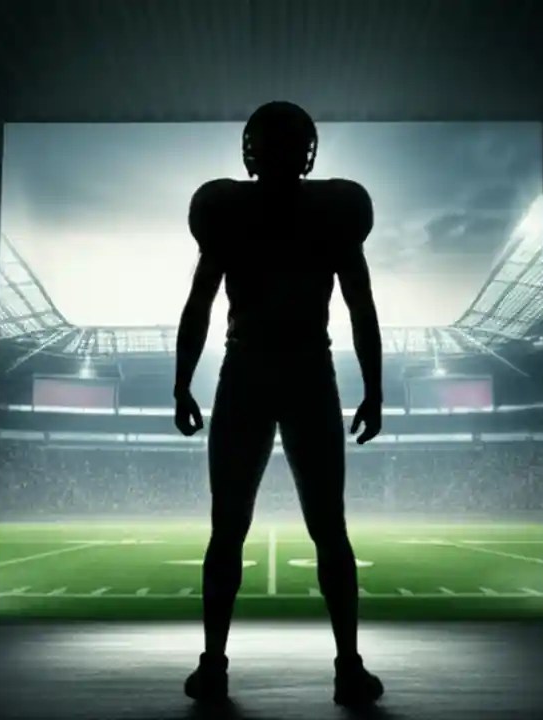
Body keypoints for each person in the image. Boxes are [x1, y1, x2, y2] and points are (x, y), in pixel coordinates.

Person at [172, 100, 385, 707]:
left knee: (228, 530)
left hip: (246, 371)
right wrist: (374, 386)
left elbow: (201, 303)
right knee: (329, 530)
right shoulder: (334, 213)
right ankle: (347, 667)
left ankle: (213, 665)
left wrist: (182, 380)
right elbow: (360, 307)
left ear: (251, 150)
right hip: (307, 371)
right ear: (308, 150)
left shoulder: (227, 214)